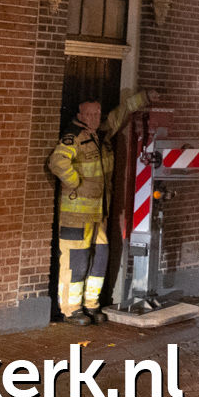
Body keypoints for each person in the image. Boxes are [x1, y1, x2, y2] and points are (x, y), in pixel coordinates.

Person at [48, 99, 114, 324]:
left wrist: (143, 98)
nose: (95, 118)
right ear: (80, 114)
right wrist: (74, 182)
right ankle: (71, 309)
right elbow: (57, 161)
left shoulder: (99, 136)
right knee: (76, 261)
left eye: (98, 113)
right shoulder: (74, 137)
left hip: (98, 214)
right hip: (75, 215)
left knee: (99, 259)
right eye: (90, 114)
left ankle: (91, 304)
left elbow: (119, 115)